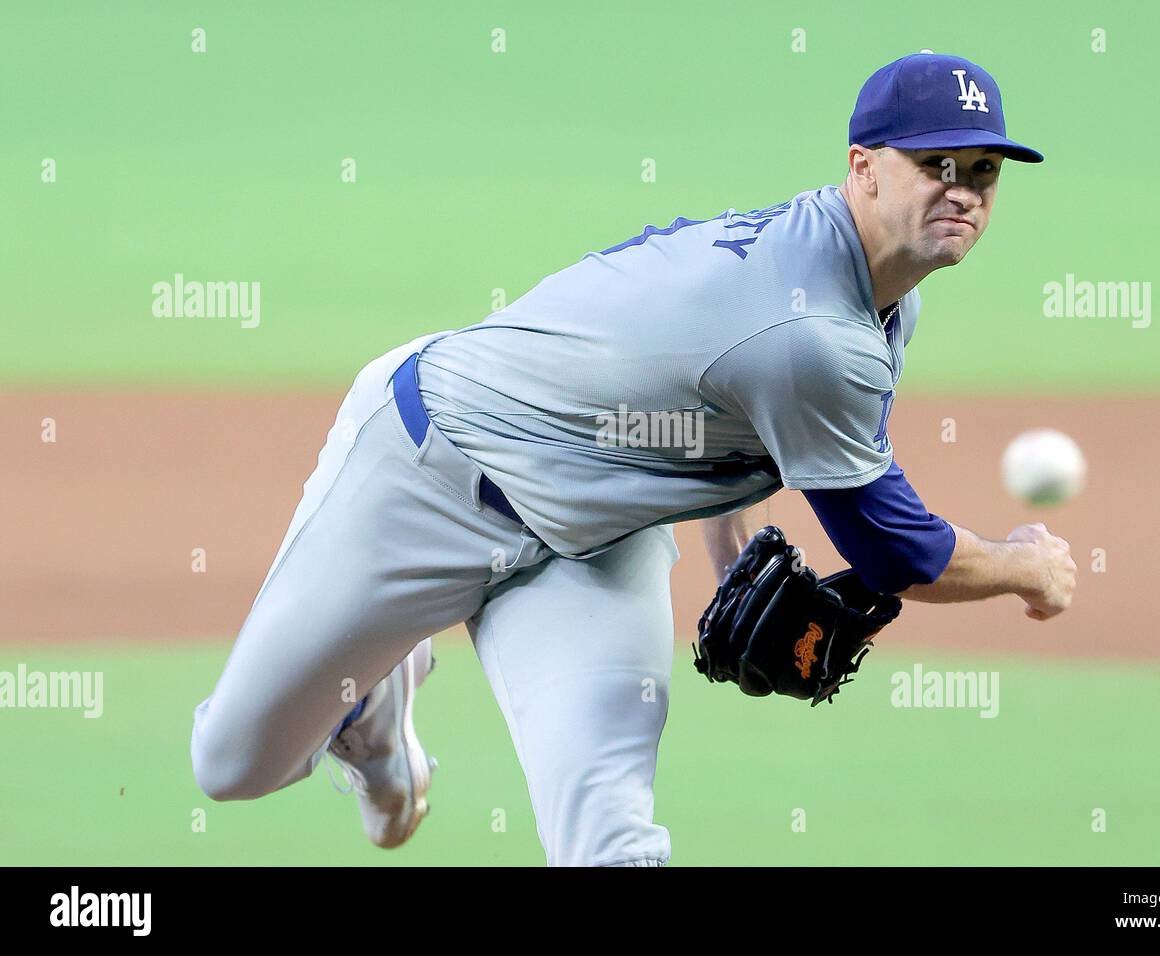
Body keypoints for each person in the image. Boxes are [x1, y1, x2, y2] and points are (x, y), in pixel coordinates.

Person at [190, 51, 1076, 866]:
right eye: (936, 166)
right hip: (429, 477)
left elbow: (729, 410)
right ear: (864, 165)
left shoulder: (877, 292)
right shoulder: (813, 331)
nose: (963, 191)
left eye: (983, 172)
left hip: (596, 543)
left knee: (612, 842)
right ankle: (369, 707)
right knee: (232, 764)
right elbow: (897, 554)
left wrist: (733, 566)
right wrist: (1025, 567)